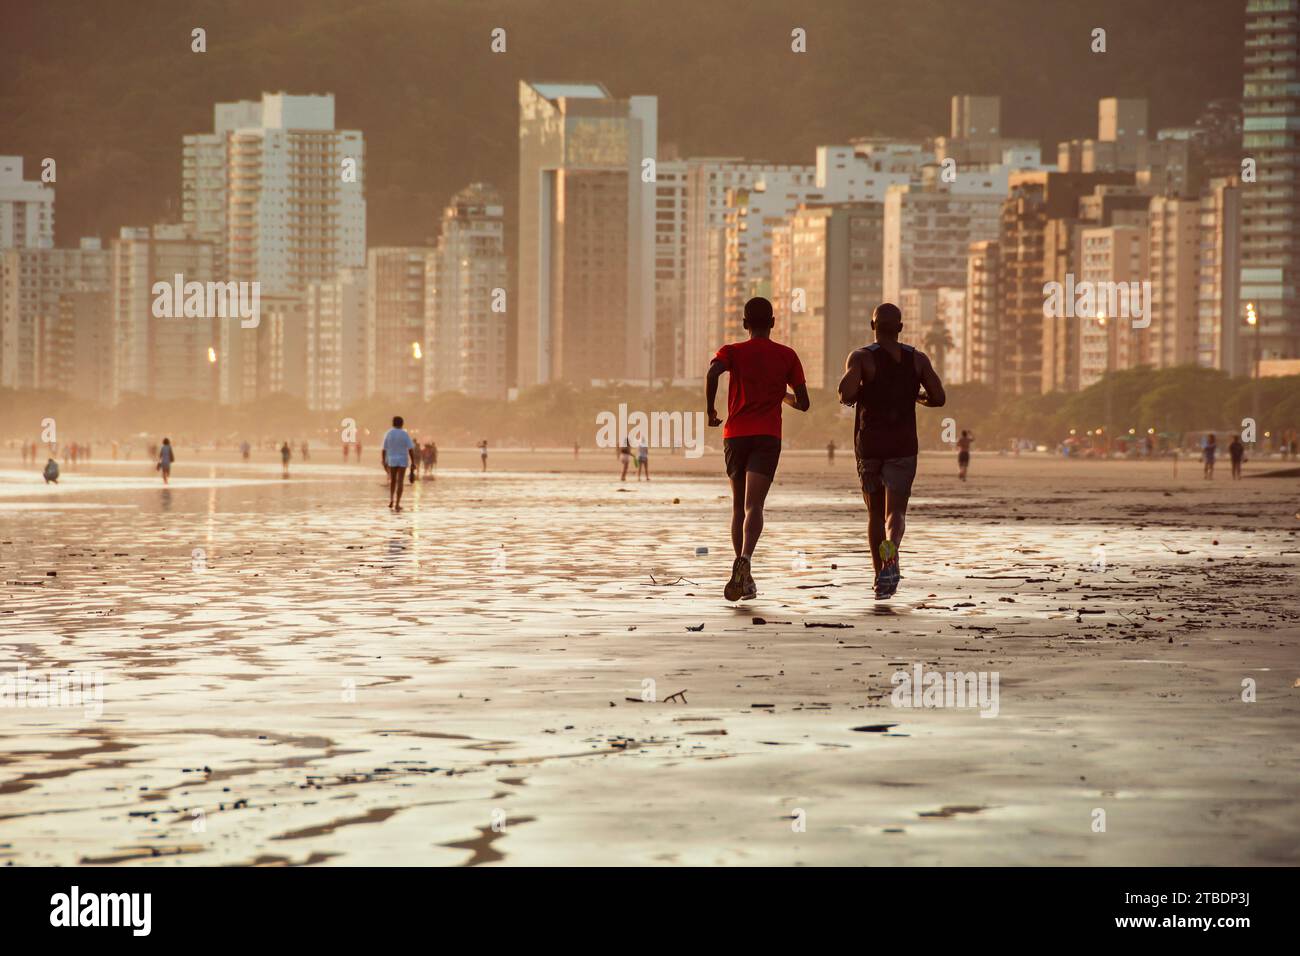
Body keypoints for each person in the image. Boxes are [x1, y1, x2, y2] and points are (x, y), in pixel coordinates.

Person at [837, 302, 946, 600]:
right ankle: (892, 551)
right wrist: (917, 396)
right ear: (900, 328)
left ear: (872, 326)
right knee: (894, 512)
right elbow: (939, 397)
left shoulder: (861, 357)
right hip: (903, 444)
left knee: (873, 513)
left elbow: (844, 393)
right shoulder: (918, 359)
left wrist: (861, 390)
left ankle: (880, 576)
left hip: (870, 444)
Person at [706, 295, 810, 601]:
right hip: (767, 436)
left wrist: (709, 410)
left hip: (735, 435)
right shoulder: (787, 355)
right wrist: (783, 396)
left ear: (744, 324)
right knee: (755, 507)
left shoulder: (732, 351)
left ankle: (743, 573)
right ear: (773, 323)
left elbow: (713, 372)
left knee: (738, 506)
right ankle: (746, 562)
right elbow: (803, 403)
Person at [382, 416, 416, 510]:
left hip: (391, 459)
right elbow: (410, 449)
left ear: (393, 423)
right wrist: (413, 462)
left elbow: (384, 449)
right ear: (402, 423)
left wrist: (384, 461)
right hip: (402, 460)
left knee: (393, 480)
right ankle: (397, 503)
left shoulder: (389, 433)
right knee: (400, 481)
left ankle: (391, 500)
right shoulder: (404, 434)